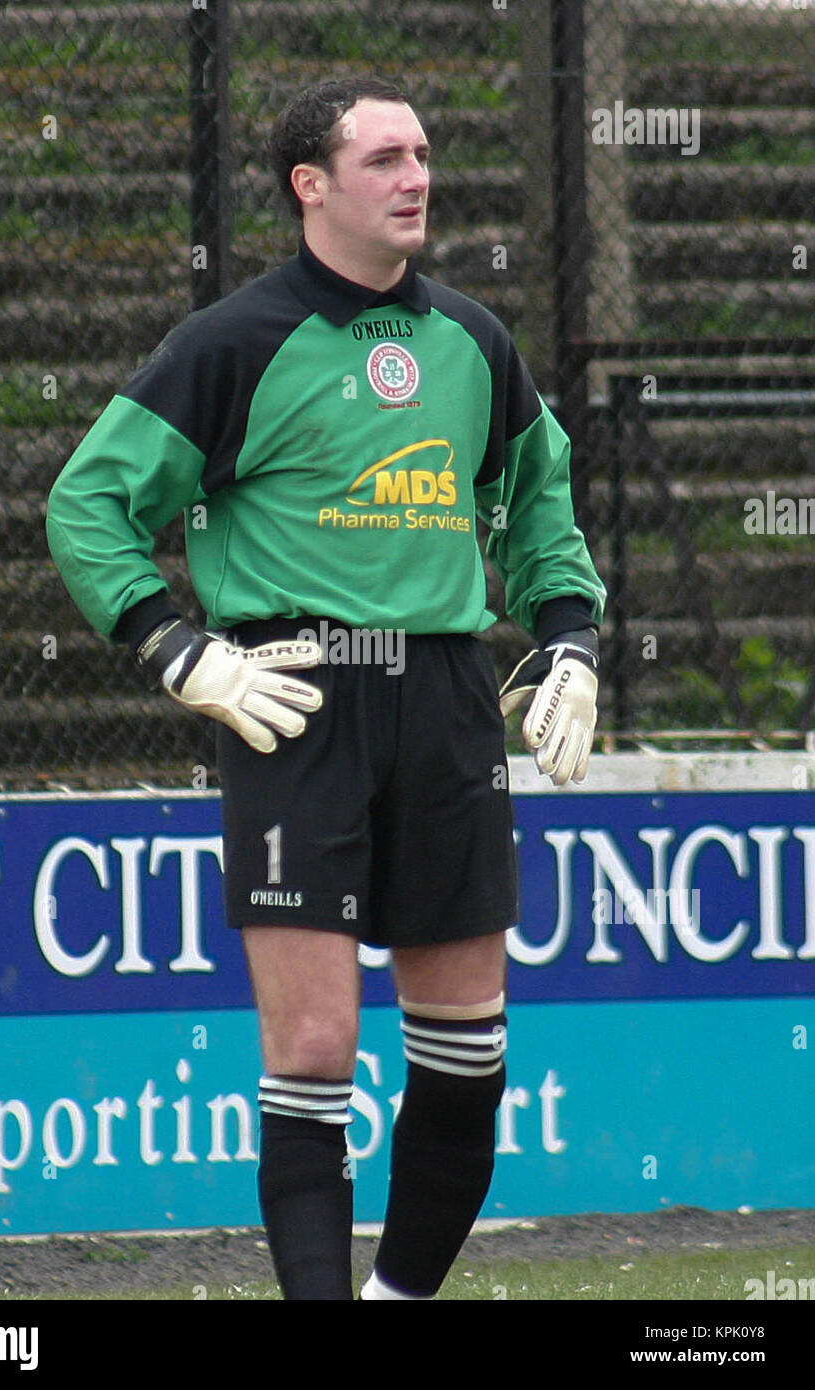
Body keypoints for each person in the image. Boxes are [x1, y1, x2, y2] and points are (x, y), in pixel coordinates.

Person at [46, 74, 606, 1301]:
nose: (418, 179)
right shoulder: (233, 342)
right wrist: (176, 645)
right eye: (386, 160)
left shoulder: (473, 339)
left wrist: (569, 641)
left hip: (449, 700)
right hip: (296, 703)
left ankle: (398, 1298)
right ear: (312, 186)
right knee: (312, 1047)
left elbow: (540, 513)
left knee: (466, 1055)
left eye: (424, 155)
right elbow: (88, 502)